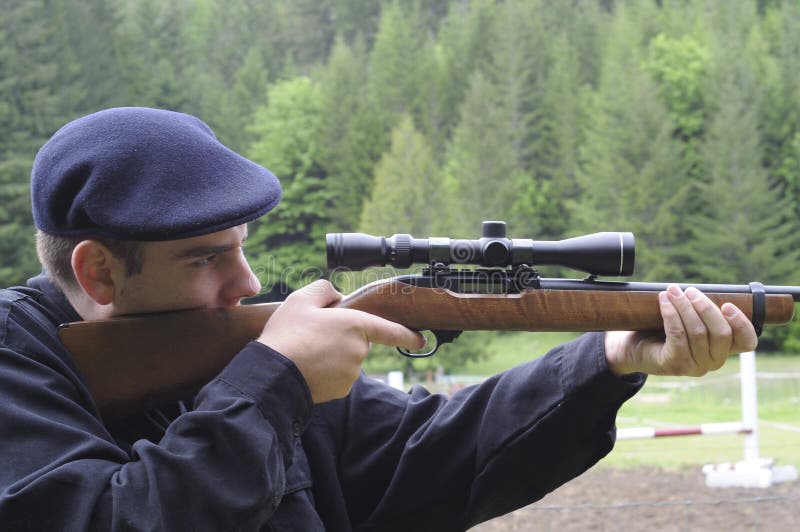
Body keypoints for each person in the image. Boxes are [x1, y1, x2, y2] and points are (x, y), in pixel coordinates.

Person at [0, 107, 757, 531]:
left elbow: (425, 455)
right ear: (99, 270)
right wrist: (277, 383)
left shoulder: (244, 355)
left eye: (243, 248)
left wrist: (608, 356)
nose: (250, 281)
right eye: (205, 259)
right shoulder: (17, 359)